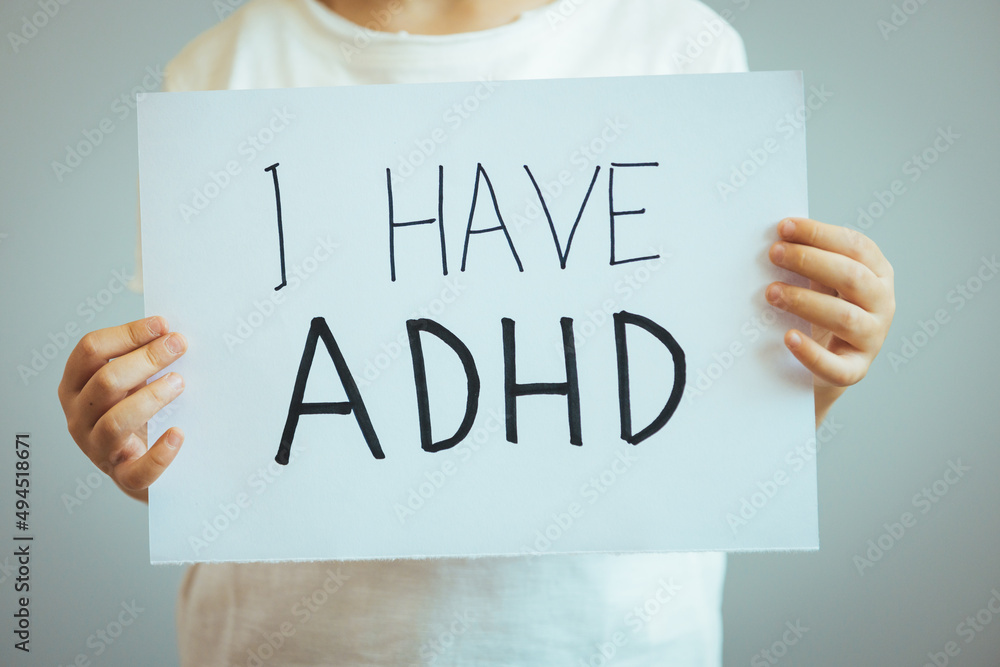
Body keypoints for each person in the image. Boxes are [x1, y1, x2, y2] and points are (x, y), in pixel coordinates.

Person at [57, 0, 896, 664]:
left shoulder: (682, 46)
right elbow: (209, 420)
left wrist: (812, 374)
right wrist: (147, 453)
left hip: (617, 643)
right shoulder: (220, 70)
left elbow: (709, 432)